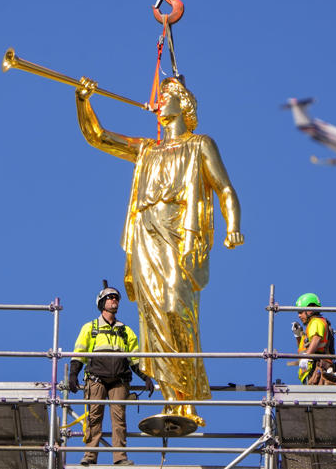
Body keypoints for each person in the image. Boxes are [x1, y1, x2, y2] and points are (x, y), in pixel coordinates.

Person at [75, 76, 244, 427]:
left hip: (178, 238)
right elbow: (98, 137)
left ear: (184, 105)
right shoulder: (146, 149)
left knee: (175, 309)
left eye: (166, 95)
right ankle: (171, 399)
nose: (158, 101)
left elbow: (225, 188)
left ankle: (188, 398)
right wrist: (83, 99)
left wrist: (233, 226)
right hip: (146, 238)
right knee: (152, 319)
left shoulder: (200, 144)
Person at [69, 283, 155, 466]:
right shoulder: (90, 328)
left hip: (119, 381)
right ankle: (90, 457)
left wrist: (146, 377)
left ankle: (120, 458)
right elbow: (79, 354)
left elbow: (135, 360)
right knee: (94, 418)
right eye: (110, 297)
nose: (114, 299)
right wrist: (73, 375)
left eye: (116, 297)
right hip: (96, 378)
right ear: (101, 302)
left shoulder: (125, 331)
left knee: (119, 420)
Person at [292, 292, 336, 385]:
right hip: (311, 373)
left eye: (300, 312)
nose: (299, 316)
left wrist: (306, 357)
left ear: (310, 310)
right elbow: (303, 349)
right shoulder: (312, 326)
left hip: (316, 369)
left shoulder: (316, 322)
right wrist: (298, 336)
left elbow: (316, 339)